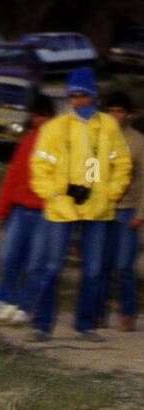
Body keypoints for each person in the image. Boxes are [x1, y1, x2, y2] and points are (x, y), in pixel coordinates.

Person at [26, 68, 131, 343]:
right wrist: (57, 193)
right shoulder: (54, 128)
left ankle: (85, 326)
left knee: (93, 270)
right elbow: (39, 167)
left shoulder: (108, 126)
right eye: (73, 95)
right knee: (52, 267)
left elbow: (122, 163)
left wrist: (110, 193)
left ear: (93, 95)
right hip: (61, 211)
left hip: (97, 210)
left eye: (83, 95)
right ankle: (41, 325)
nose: (78, 100)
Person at [0, 94, 54, 326]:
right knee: (8, 256)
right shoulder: (26, 141)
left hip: (44, 212)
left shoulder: (59, 143)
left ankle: (25, 307)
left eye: (43, 116)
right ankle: (9, 301)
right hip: (19, 209)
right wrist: (2, 206)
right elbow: (13, 175)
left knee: (36, 263)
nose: (39, 120)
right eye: (35, 116)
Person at [99, 91, 144, 331]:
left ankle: (127, 313)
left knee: (125, 265)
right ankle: (100, 313)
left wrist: (140, 214)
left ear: (128, 115)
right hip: (102, 209)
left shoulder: (138, 141)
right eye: (111, 110)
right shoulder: (98, 137)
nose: (115, 115)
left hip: (128, 211)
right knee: (102, 264)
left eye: (119, 111)